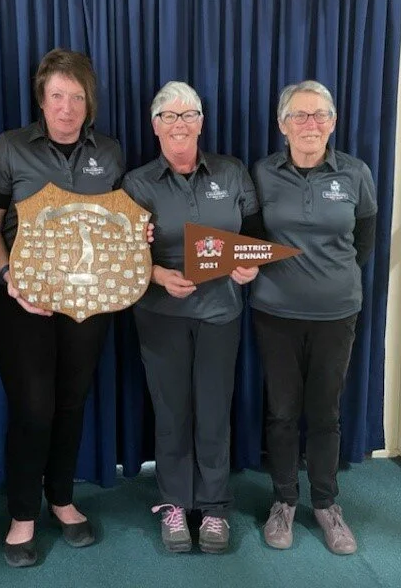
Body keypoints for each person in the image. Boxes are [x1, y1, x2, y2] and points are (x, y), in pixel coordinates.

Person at [0, 49, 125, 567]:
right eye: (57, 96)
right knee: (33, 406)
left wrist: (138, 235)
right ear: (42, 100)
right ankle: (22, 514)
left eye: (76, 97)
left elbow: (119, 225)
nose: (66, 108)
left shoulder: (110, 151)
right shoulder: (11, 148)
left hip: (88, 299)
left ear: (89, 103)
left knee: (72, 400)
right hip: (22, 300)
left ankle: (61, 499)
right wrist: (11, 275)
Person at [122, 81, 261, 554]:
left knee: (213, 409)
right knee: (171, 410)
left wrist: (250, 263)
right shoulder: (137, 183)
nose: (179, 125)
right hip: (161, 313)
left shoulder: (233, 171)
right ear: (154, 126)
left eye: (188, 115)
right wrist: (158, 274)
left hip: (221, 310)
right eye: (168, 116)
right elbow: (122, 256)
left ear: (202, 122)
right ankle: (175, 502)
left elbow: (254, 233)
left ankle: (216, 506)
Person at [250, 80, 377, 556]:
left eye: (319, 114)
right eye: (299, 116)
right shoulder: (261, 174)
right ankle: (283, 500)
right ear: (282, 125)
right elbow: (251, 238)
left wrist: (329, 278)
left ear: (334, 122)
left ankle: (325, 504)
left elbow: (364, 240)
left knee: (325, 414)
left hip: (336, 314)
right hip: (274, 312)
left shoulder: (355, 174)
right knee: (282, 413)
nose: (310, 124)